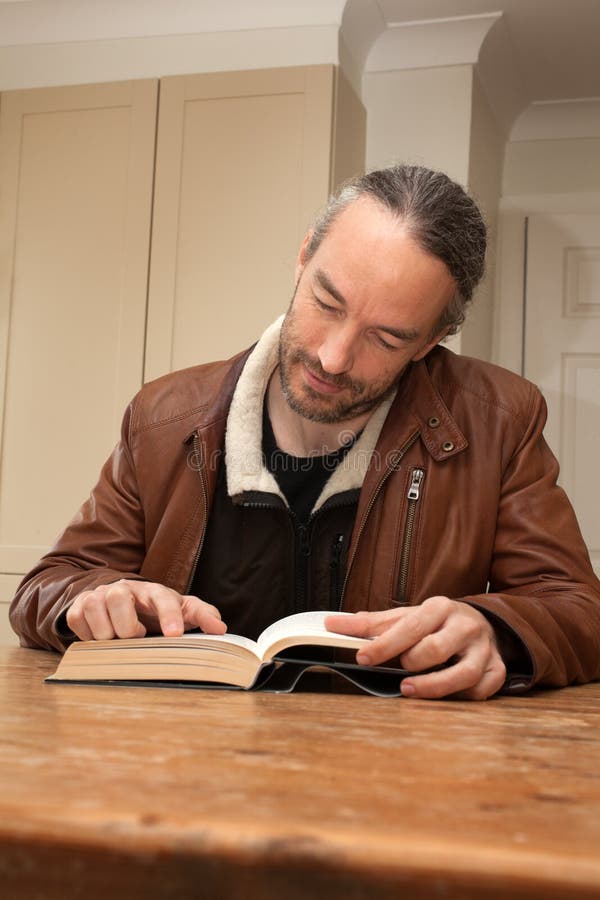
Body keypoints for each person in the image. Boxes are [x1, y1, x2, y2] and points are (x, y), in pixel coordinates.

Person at [10, 165, 600, 700]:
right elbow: (46, 585)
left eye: (388, 338)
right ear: (302, 259)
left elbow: (578, 611)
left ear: (432, 340)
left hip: (396, 777)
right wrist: (91, 601)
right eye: (326, 301)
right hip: (182, 768)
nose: (334, 357)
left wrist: (496, 630)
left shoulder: (501, 418)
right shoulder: (162, 416)